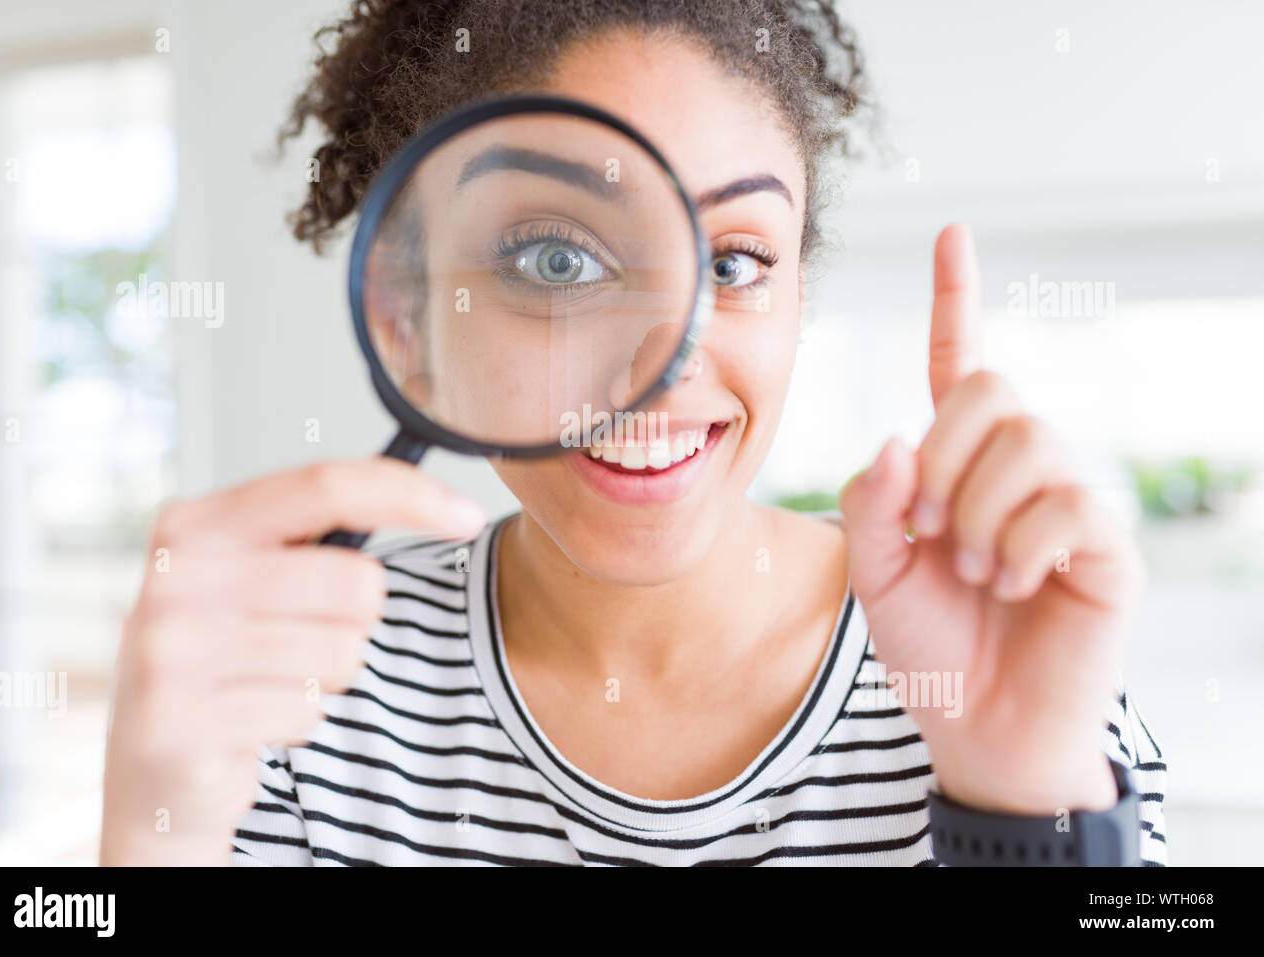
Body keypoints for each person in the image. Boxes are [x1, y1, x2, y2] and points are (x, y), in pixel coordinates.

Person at [99, 0, 1168, 866]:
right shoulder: (294, 683)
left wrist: (1024, 809)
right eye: (555, 259)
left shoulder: (1013, 666)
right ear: (411, 317)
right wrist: (156, 839)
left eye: (733, 262)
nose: (665, 359)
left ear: (798, 295)